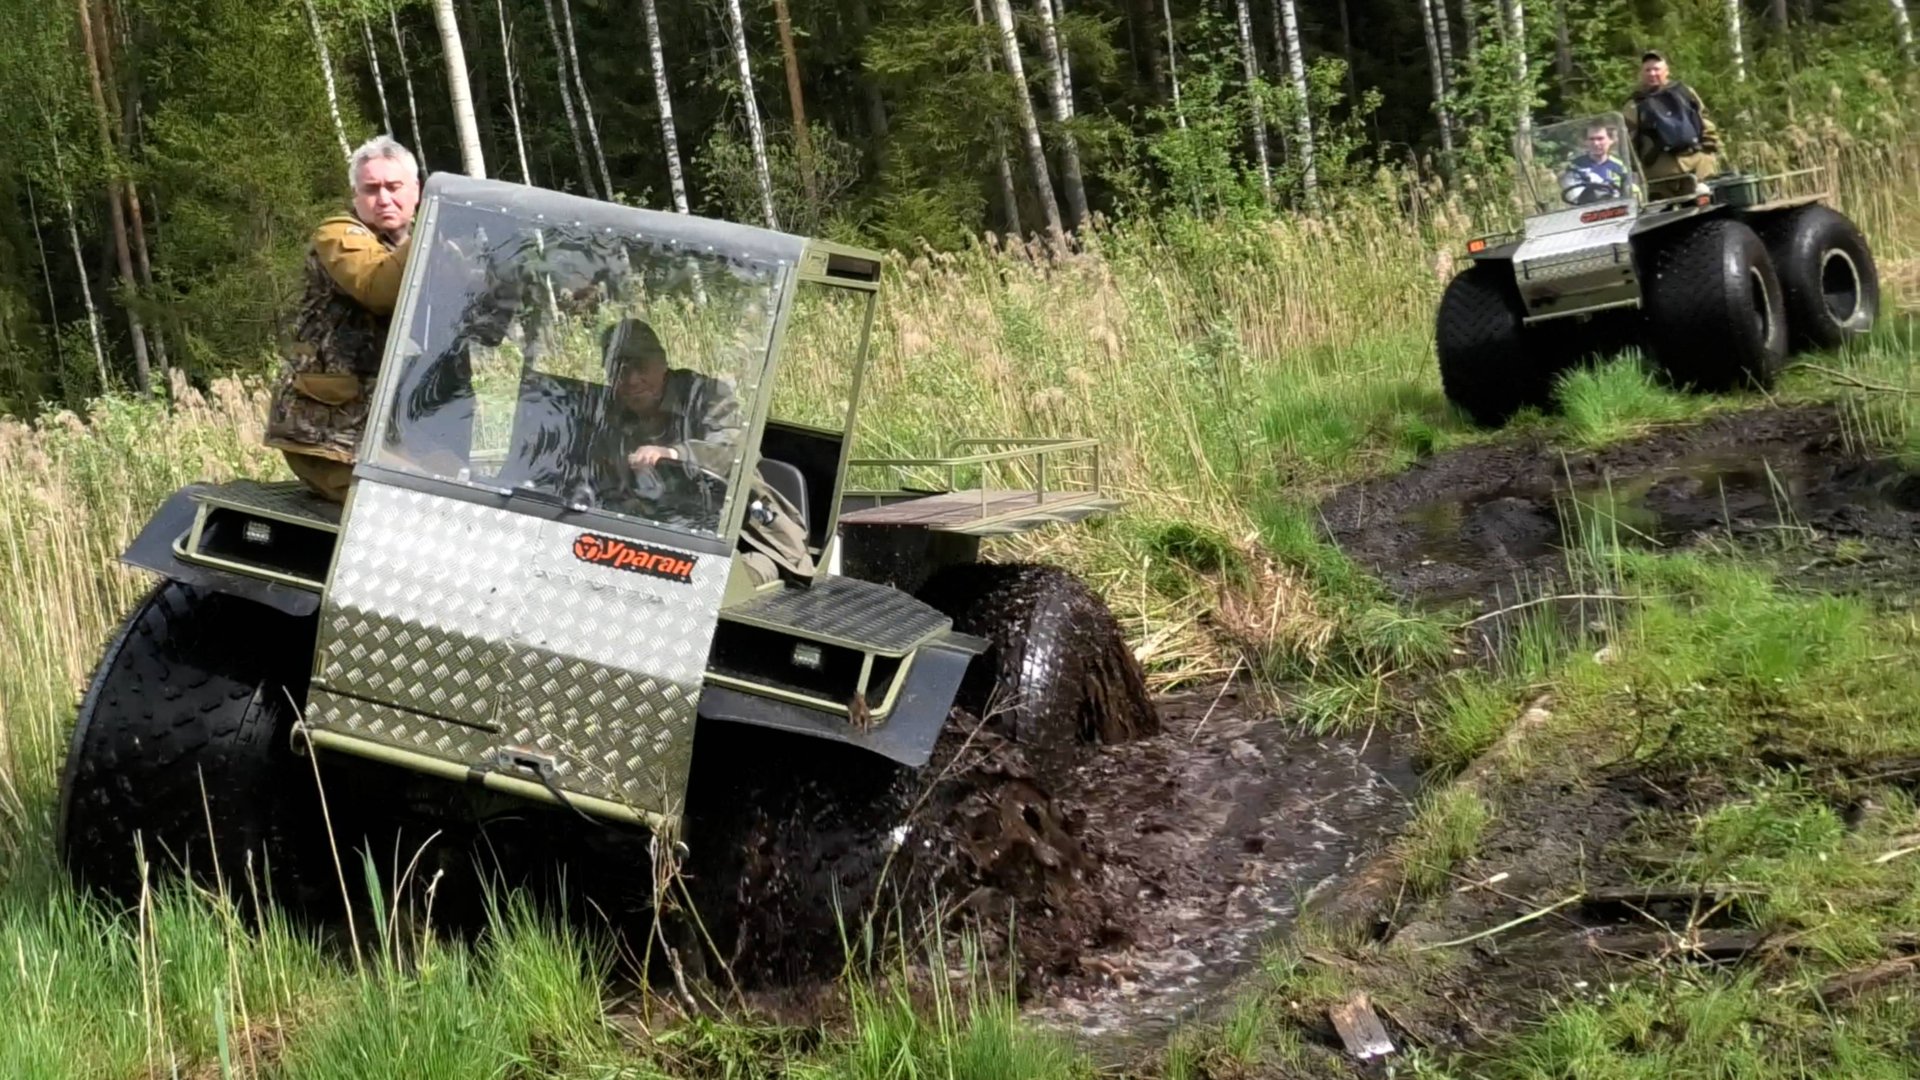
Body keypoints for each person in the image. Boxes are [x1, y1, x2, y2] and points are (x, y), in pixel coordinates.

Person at [266, 135, 420, 502]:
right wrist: (439, 221)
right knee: (393, 507)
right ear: (355, 196)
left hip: (392, 433)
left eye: (394, 187)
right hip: (331, 436)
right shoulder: (338, 234)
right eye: (371, 189)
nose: (383, 198)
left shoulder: (421, 244)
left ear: (417, 190)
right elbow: (378, 288)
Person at [598, 317, 813, 580]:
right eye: (619, 369)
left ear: (662, 363)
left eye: (640, 366)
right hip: (644, 534)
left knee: (735, 581)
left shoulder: (708, 396)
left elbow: (734, 452)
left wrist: (675, 454)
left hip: (741, 531)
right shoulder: (605, 412)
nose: (631, 379)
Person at [1624, 50, 1721, 199]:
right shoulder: (1634, 104)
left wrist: (1710, 149)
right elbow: (1628, 142)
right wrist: (1635, 171)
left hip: (1699, 165)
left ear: (1667, 71)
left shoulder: (1685, 92)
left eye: (1656, 69)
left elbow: (1704, 120)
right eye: (1648, 70)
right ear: (1641, 73)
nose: (1652, 73)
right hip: (1661, 174)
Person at [1559, 121, 1632, 205]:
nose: (1596, 143)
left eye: (1600, 138)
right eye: (1591, 139)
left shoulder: (1620, 166)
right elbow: (1574, 196)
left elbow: (1629, 192)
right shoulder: (1575, 166)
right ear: (1585, 141)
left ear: (1611, 140)